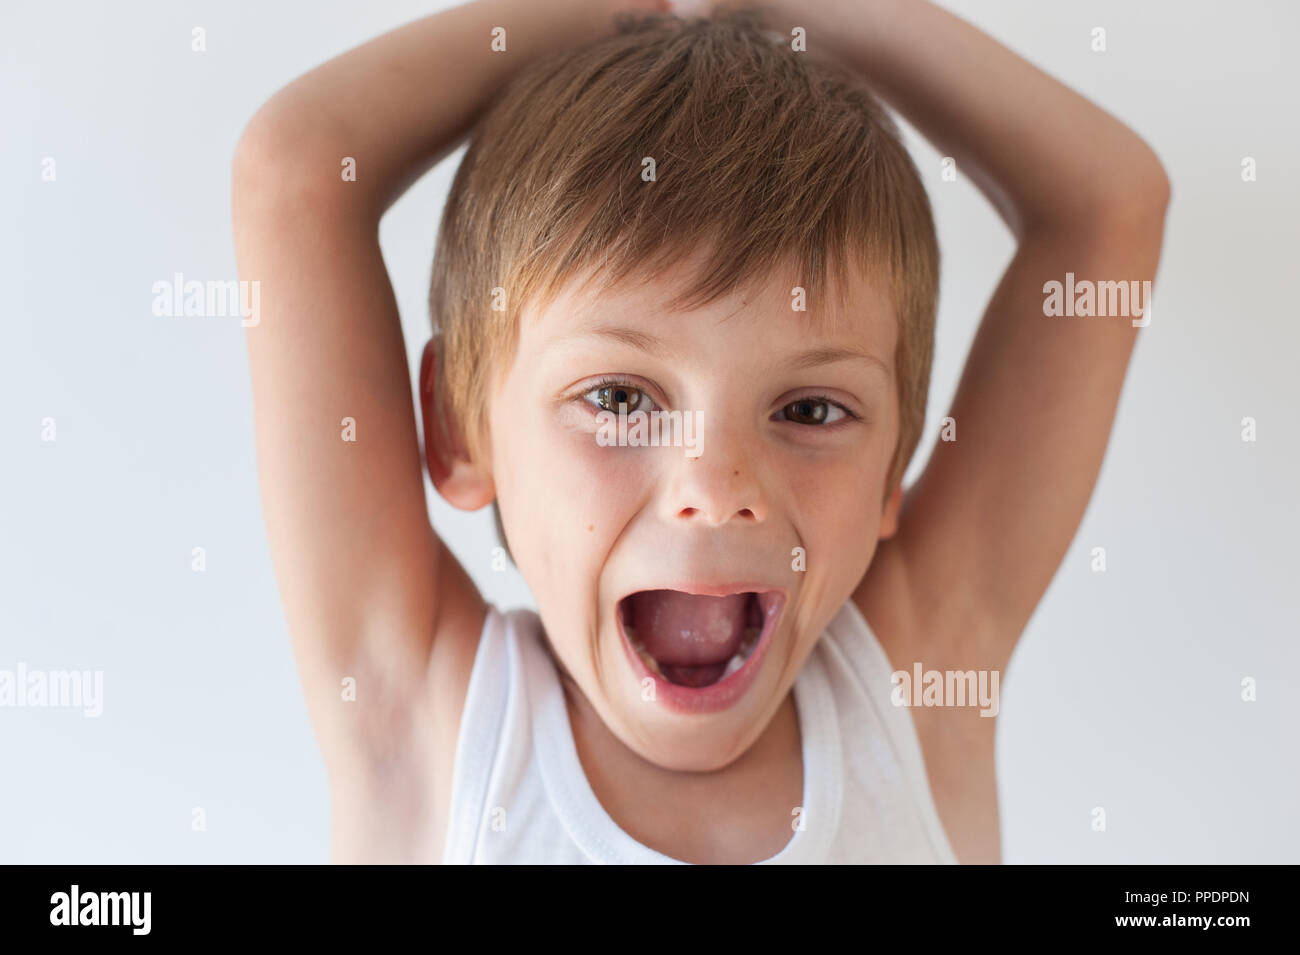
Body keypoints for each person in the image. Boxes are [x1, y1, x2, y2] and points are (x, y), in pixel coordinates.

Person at [231, 0, 1168, 864]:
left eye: (808, 410)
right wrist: (621, 9)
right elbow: (295, 169)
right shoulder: (434, 721)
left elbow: (1111, 204)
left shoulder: (910, 694)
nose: (717, 486)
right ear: (458, 428)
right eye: (622, 399)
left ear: (895, 467)